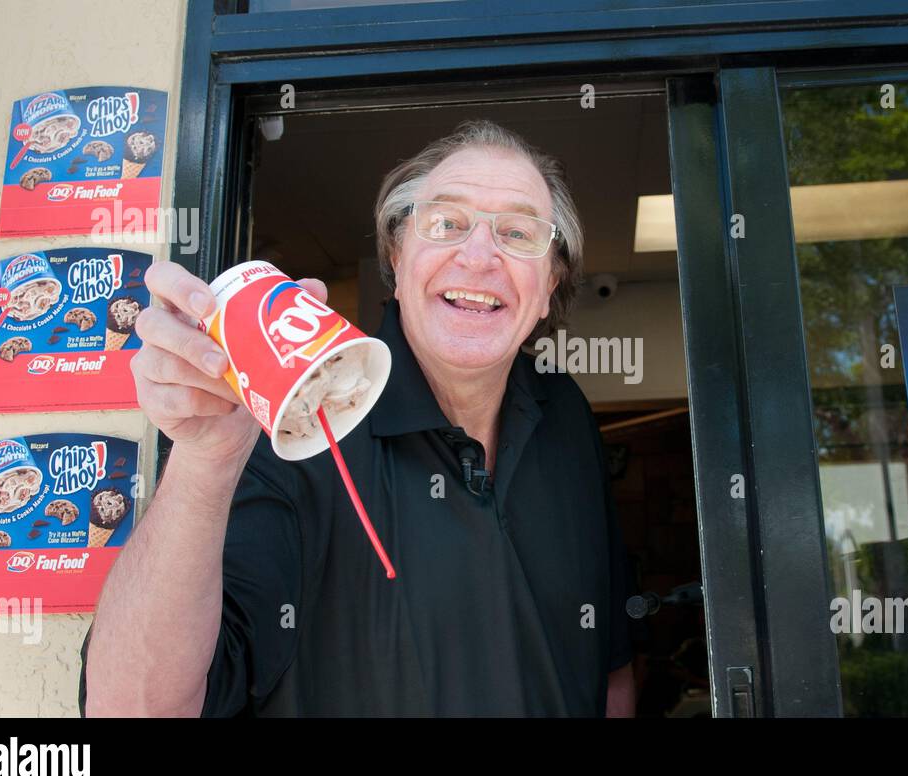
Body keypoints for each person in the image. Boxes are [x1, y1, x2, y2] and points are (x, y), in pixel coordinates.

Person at [81, 120, 636, 717]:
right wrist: (204, 458)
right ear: (397, 259)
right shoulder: (292, 438)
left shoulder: (565, 411)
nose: (479, 257)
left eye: (518, 232)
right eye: (446, 223)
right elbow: (131, 710)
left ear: (550, 283)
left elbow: (610, 662)